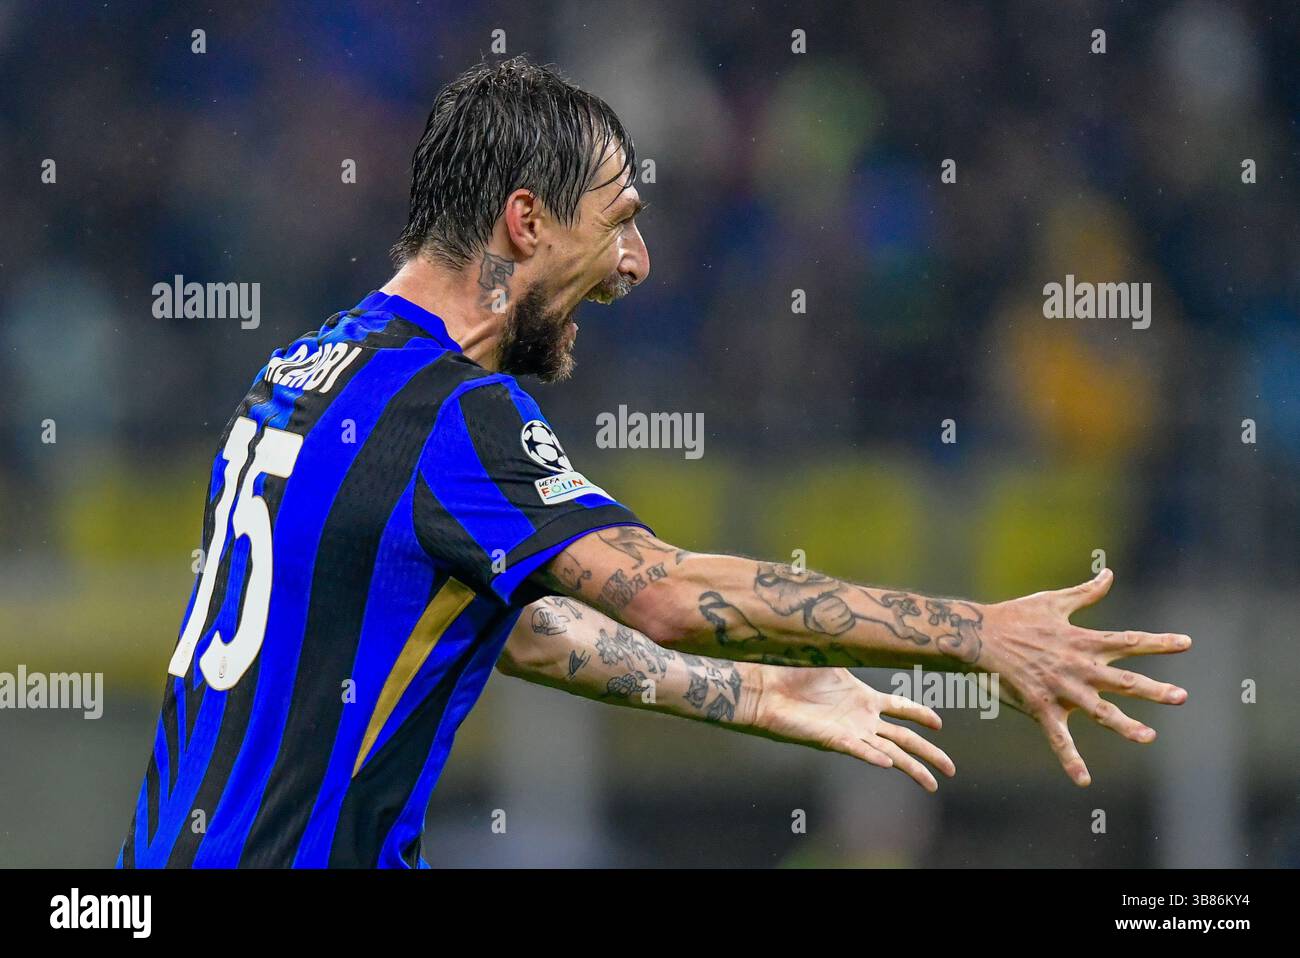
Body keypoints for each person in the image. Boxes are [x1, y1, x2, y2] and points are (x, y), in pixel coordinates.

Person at [121, 56, 1189, 868]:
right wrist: (979, 633)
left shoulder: (304, 373)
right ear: (524, 222)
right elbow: (665, 591)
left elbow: (495, 625)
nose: (638, 262)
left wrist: (756, 697)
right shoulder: (450, 414)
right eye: (621, 220)